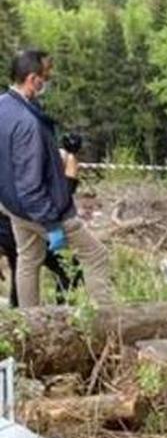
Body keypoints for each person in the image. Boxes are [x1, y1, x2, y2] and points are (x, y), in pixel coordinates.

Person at [0, 50, 110, 306]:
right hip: (40, 209)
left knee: (28, 259)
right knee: (96, 255)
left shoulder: (4, 105)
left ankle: (30, 326)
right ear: (31, 79)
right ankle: (106, 322)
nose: (46, 81)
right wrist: (52, 224)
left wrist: (59, 152)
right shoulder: (27, 123)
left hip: (13, 206)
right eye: (44, 77)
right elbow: (30, 184)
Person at [0, 135, 83, 306]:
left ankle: (21, 316)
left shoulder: (13, 160)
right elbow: (67, 188)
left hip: (9, 226)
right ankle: (64, 312)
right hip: (32, 224)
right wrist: (72, 154)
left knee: (22, 269)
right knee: (69, 268)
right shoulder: (44, 173)